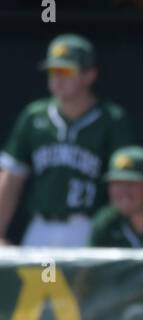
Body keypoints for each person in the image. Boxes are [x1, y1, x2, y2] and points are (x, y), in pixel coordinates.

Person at [0, 34, 134, 246]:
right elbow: (11, 176)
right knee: (36, 280)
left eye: (66, 71)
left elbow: (127, 183)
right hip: (40, 228)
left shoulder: (111, 119)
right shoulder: (34, 116)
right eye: (53, 71)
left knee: (82, 281)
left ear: (89, 75)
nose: (57, 78)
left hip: (87, 227)